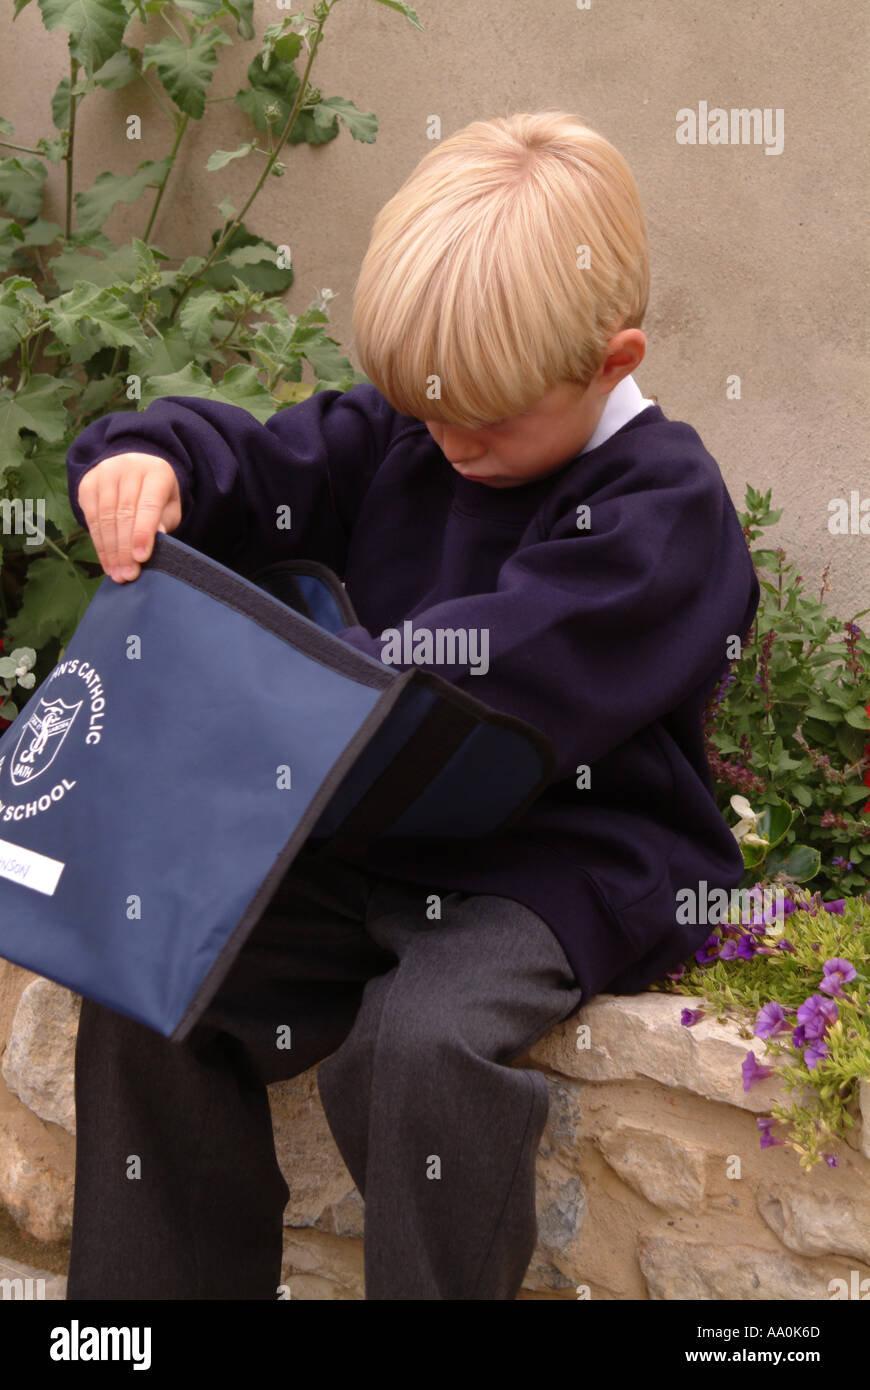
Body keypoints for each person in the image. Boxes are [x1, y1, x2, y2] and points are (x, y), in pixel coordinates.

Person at [63, 110, 759, 1301]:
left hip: (558, 857)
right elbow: (270, 466)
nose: (447, 443)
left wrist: (330, 675)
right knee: (156, 976)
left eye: (481, 422)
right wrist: (154, 458)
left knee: (417, 1047)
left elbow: (506, 658)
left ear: (612, 360)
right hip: (374, 827)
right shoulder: (412, 431)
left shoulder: (664, 510)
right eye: (426, 411)